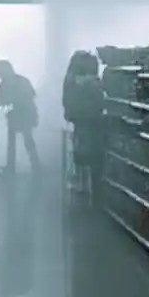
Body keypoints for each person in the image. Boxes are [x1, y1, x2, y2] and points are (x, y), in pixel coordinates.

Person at [62, 50, 105, 197]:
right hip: (92, 125)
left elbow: (67, 103)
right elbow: (99, 102)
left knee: (80, 155)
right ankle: (92, 193)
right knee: (92, 159)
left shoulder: (70, 79)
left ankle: (81, 188)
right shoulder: (91, 83)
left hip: (80, 123)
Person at [0, 59, 41, 172]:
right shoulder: (20, 81)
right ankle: (33, 164)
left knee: (25, 139)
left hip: (24, 113)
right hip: (18, 114)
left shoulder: (9, 83)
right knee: (24, 139)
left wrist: (3, 107)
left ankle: (28, 164)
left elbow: (28, 96)